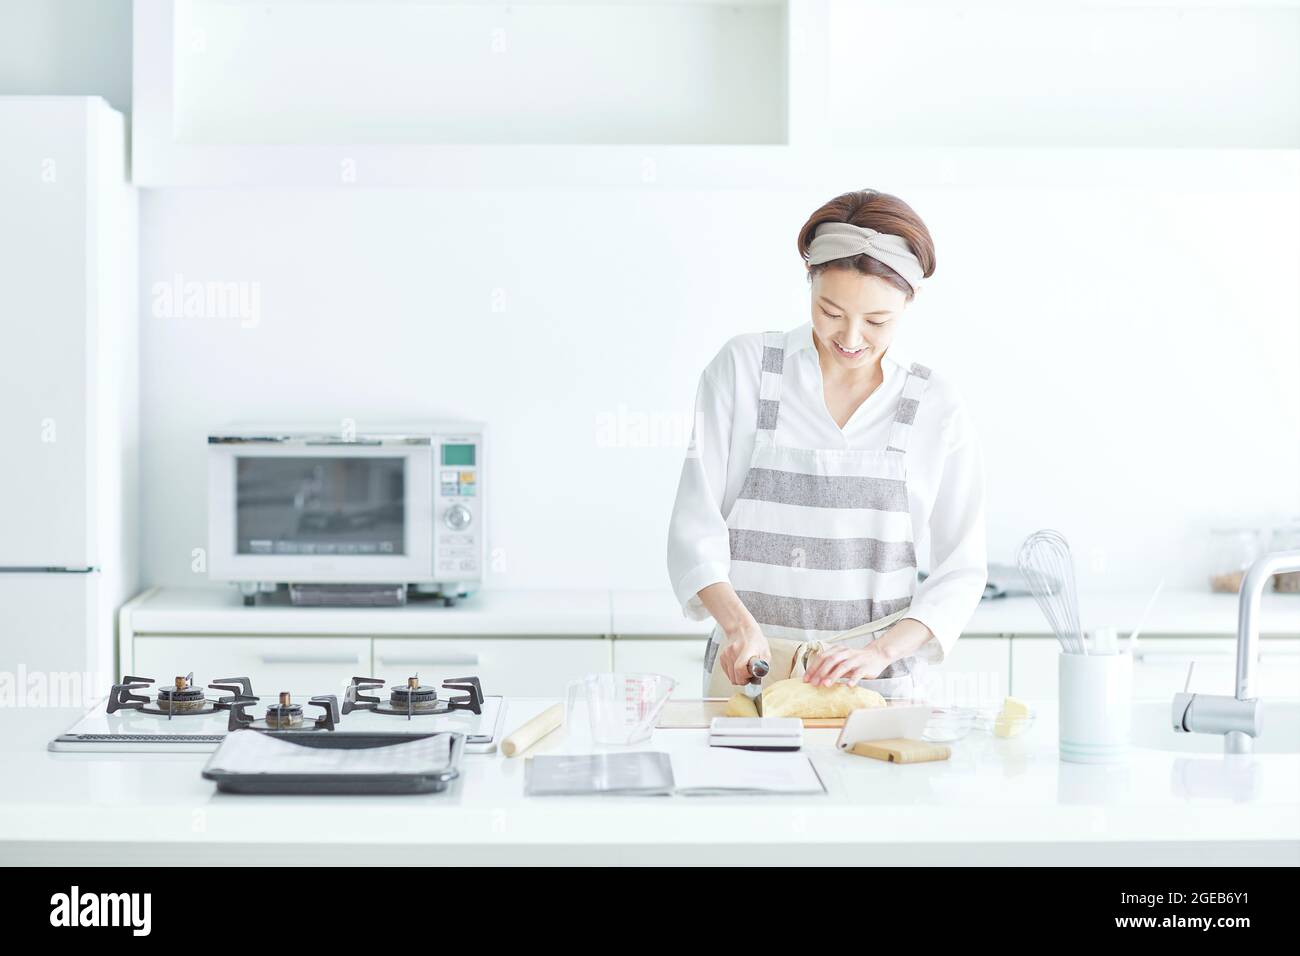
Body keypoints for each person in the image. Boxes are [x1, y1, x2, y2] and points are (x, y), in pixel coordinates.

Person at [666, 188, 988, 699]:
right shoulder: (744, 369)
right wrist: (739, 627)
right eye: (831, 311)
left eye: (878, 321)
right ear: (808, 281)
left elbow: (961, 569)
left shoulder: (935, 405)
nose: (852, 338)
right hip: (749, 674)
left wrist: (881, 652)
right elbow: (693, 531)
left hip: (875, 685)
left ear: (911, 300)